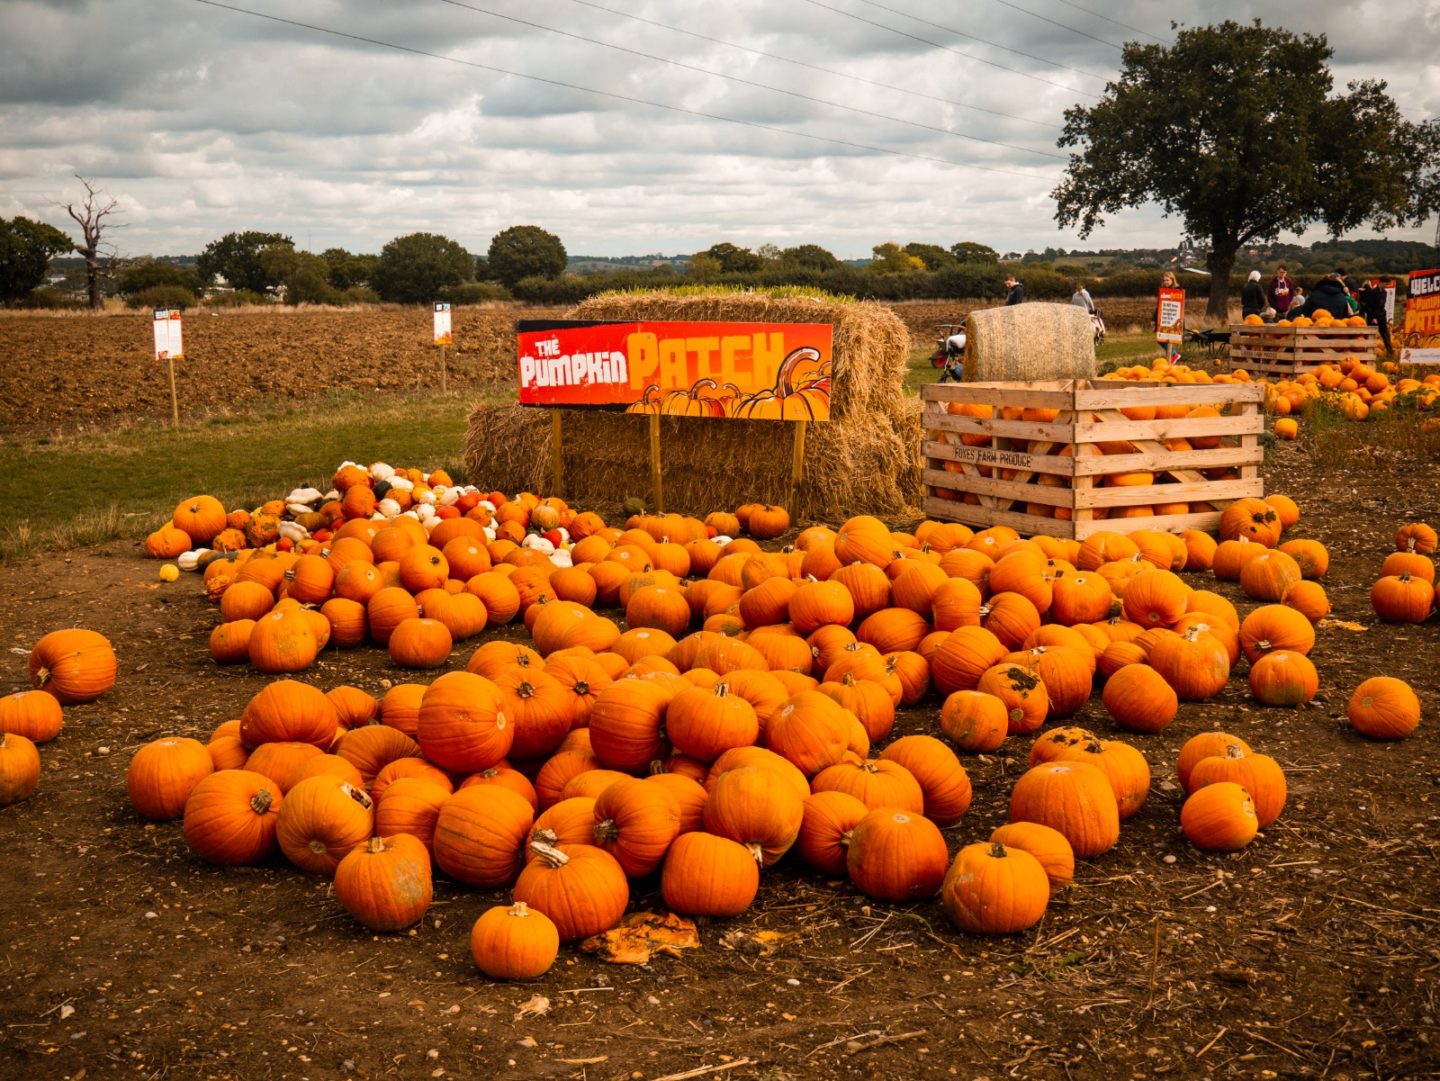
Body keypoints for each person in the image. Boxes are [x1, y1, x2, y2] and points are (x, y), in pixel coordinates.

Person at [1358, 279, 1394, 354]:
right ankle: (1367, 351)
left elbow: (1382, 305)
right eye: (1385, 284)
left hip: (1381, 316)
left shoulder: (1384, 293)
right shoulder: (1372, 292)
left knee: (1386, 334)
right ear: (1381, 283)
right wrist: (1372, 317)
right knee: (1370, 335)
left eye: (1387, 285)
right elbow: (1369, 306)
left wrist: (1384, 315)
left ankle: (1390, 351)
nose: (1386, 286)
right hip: (1373, 317)